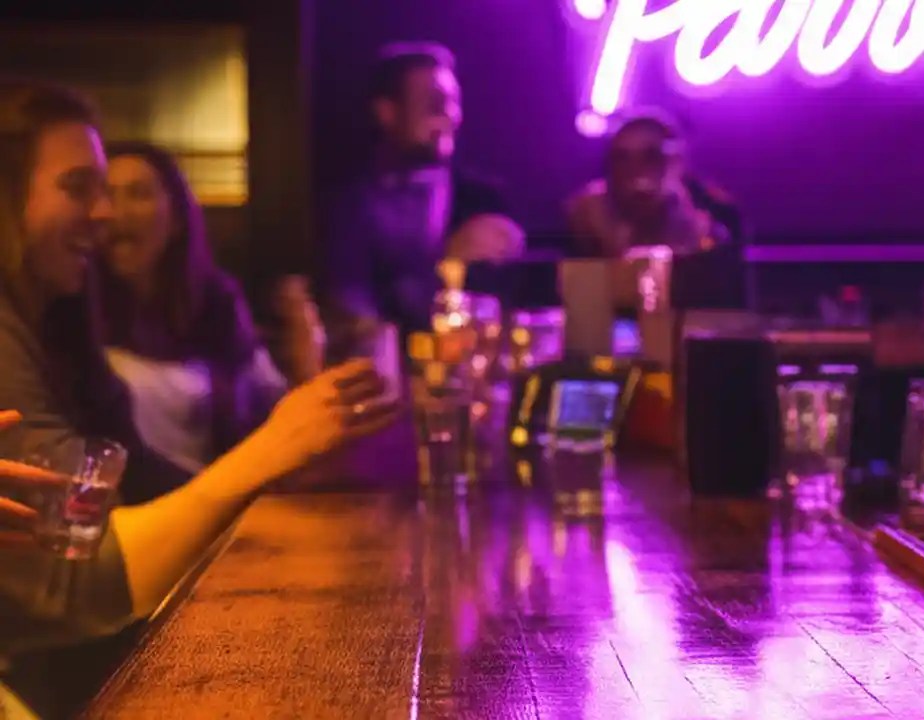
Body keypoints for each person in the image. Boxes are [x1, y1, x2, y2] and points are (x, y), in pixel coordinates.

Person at [0, 78, 398, 714]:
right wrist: (269, 452)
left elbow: (137, 472)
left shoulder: (56, 319)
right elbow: (77, 574)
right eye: (81, 188)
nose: (104, 215)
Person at [100, 142, 324, 474]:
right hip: (133, 509)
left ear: (176, 218)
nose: (118, 212)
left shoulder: (214, 304)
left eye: (138, 194)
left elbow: (278, 416)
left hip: (218, 498)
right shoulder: (78, 317)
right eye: (107, 195)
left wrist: (305, 359)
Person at [325, 41, 525, 334]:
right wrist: (445, 267)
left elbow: (513, 310)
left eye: (454, 103)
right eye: (435, 104)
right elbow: (356, 320)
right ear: (387, 113)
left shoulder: (486, 200)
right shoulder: (352, 210)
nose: (450, 117)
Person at [565, 111, 745, 258]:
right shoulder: (588, 214)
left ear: (676, 161)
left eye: (651, 156)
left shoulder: (712, 214)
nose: (635, 168)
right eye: (622, 158)